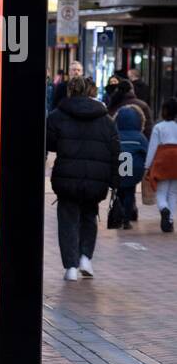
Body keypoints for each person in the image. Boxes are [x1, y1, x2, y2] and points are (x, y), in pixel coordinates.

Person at [47, 75, 120, 281]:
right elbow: (116, 150)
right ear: (92, 91)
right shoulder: (106, 119)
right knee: (89, 216)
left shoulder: (57, 115)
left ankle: (70, 267)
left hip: (67, 177)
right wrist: (115, 181)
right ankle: (86, 257)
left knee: (68, 219)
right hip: (96, 179)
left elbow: (49, 143)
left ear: (70, 90)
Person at [145, 97, 177, 233]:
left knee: (161, 191)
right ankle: (169, 220)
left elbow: (153, 147)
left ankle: (164, 209)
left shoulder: (159, 127)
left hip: (163, 158)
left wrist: (147, 165)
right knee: (174, 192)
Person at [115, 104, 148, 229]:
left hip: (118, 168)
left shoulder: (116, 135)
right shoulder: (140, 137)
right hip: (134, 169)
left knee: (119, 193)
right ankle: (126, 219)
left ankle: (118, 214)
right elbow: (146, 152)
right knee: (130, 193)